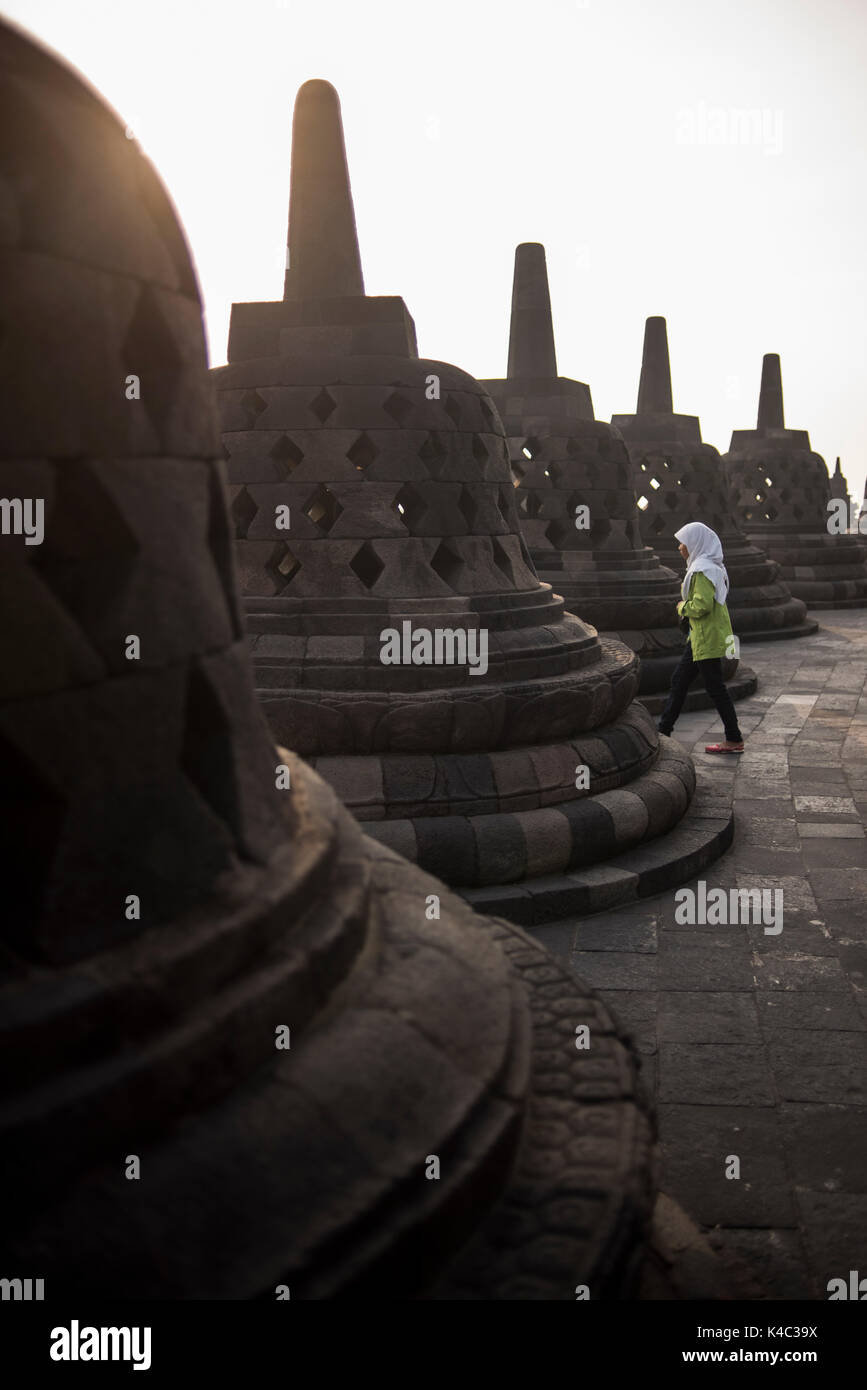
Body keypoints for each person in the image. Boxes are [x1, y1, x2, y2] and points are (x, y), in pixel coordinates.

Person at [657, 522, 745, 754]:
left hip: (706, 637)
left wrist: (681, 607)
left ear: (695, 544)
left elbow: (702, 606)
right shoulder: (710, 567)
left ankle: (733, 739)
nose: (679, 547)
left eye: (683, 542)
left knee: (714, 687)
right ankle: (663, 732)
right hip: (701, 637)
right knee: (680, 681)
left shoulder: (702, 571)